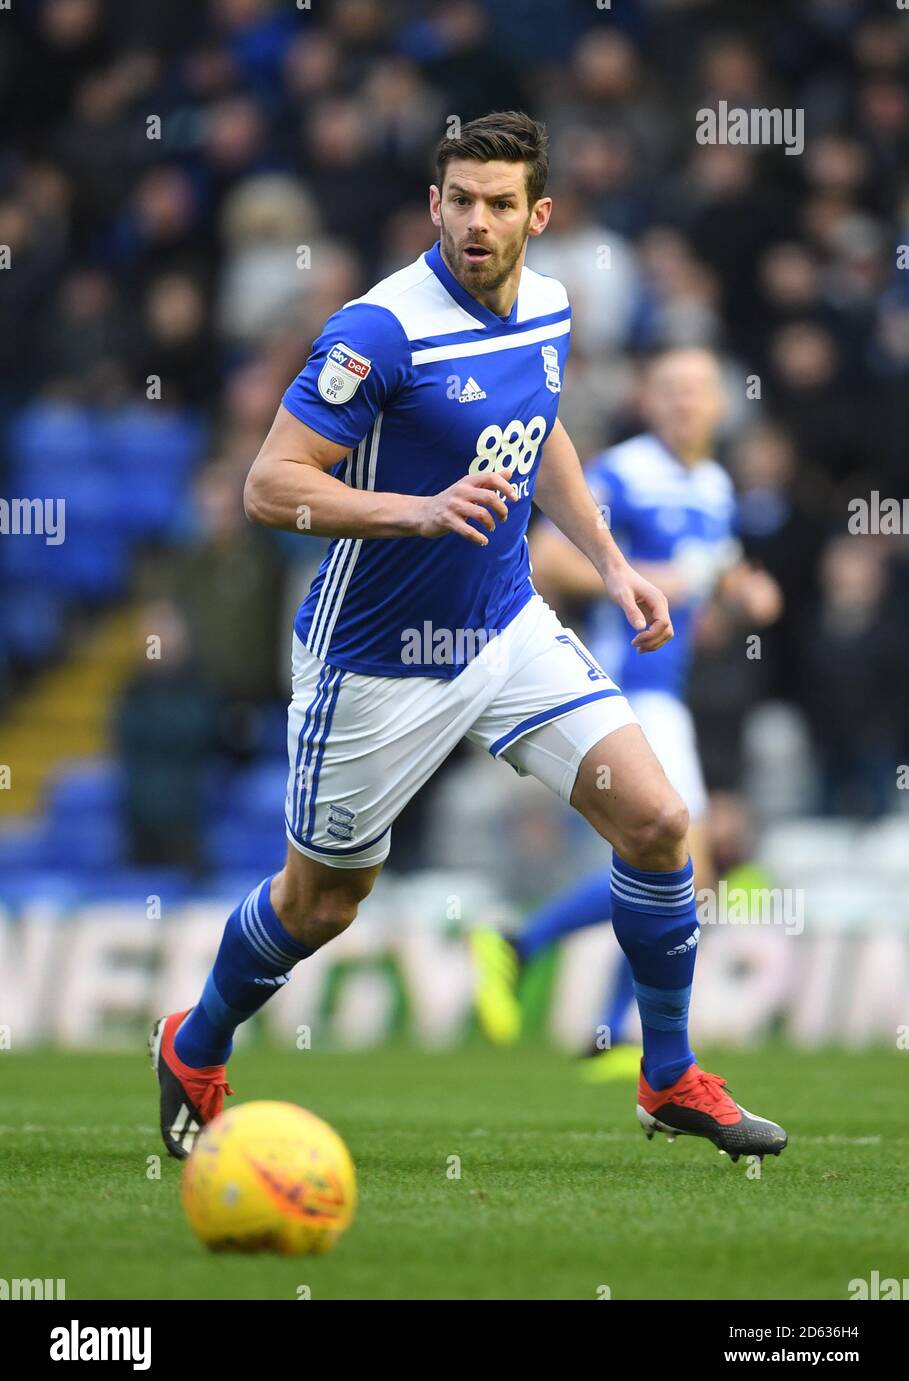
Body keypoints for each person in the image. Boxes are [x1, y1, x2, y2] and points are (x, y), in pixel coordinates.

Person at [150, 112, 786, 1165]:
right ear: (433, 205)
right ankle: (197, 1039)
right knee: (324, 900)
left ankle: (669, 1074)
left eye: (499, 204)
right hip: (373, 659)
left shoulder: (549, 306)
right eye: (459, 201)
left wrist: (614, 562)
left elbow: (542, 433)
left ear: (539, 214)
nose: (476, 222)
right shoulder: (379, 329)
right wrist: (416, 507)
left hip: (501, 626)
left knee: (662, 823)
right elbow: (268, 484)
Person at [471, 348, 782, 1080]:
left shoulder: (710, 484)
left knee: (667, 867)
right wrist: (637, 579)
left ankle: (612, 1029)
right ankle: (527, 948)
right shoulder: (622, 471)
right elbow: (548, 558)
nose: (681, 403)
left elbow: (713, 566)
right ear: (648, 401)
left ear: (716, 405)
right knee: (683, 868)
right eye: (667, 390)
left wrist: (745, 591)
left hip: (667, 692)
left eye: (694, 391)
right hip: (624, 685)